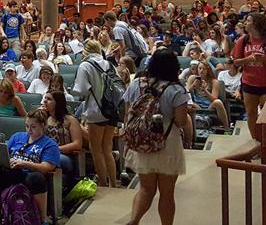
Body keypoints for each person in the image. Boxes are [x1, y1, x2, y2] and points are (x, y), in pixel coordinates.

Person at [123, 49, 192, 225]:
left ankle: (134, 221)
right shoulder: (177, 90)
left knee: (145, 189)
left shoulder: (136, 84)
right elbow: (181, 121)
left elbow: (128, 114)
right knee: (167, 193)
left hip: (141, 142)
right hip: (167, 143)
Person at [72, 40, 119, 187]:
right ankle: (114, 183)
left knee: (96, 149)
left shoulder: (85, 65)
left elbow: (81, 90)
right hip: (112, 110)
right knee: (107, 149)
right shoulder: (109, 63)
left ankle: (103, 184)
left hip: (96, 111)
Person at [231, 13, 266, 142]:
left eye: (248, 20)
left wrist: (265, 61)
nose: (245, 22)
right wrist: (248, 59)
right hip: (249, 83)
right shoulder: (242, 41)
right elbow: (236, 61)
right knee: (251, 113)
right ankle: (256, 140)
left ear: (256, 24)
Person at [42, 91, 84, 185]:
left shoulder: (70, 120)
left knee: (48, 157)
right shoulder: (44, 119)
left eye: (49, 99)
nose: (45, 101)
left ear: (58, 102)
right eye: (45, 98)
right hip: (46, 153)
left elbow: (77, 144)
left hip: (65, 156)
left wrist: (56, 149)